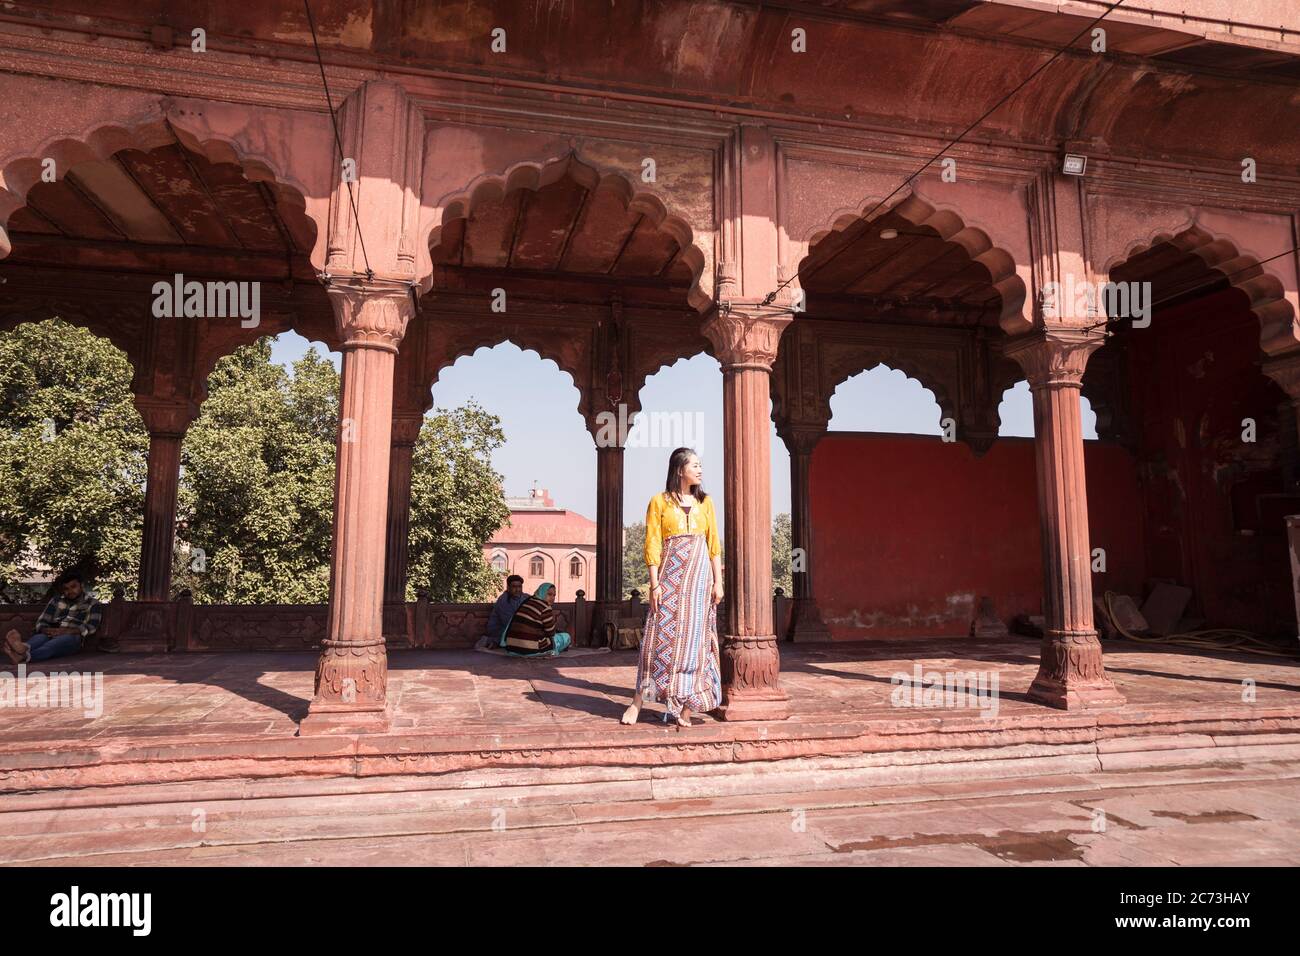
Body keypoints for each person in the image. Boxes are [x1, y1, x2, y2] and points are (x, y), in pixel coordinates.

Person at [621, 447, 723, 728]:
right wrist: (654, 585)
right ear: (680, 470)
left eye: (701, 465)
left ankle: (686, 708)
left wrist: (719, 582)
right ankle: (638, 701)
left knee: (695, 644)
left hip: (700, 582)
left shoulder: (706, 503)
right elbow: (652, 543)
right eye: (695, 465)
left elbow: (714, 545)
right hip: (670, 578)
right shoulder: (660, 502)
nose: (700, 470)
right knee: (657, 642)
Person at [3, 571, 103, 665]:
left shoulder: (93, 604)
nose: (70, 591)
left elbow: (92, 627)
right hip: (51, 633)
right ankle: (23, 648)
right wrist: (46, 629)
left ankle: (23, 656)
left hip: (73, 638)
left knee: (51, 646)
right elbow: (42, 621)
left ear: (82, 586)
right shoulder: (56, 601)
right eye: (66, 589)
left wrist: (67, 631)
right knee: (40, 638)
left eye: (73, 587)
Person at [501, 582, 571, 657]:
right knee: (565, 637)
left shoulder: (527, 601)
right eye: (549, 594)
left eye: (554, 595)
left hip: (512, 648)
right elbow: (551, 633)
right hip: (530, 650)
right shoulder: (545, 607)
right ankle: (555, 649)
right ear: (542, 593)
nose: (552, 598)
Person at [479, 574, 527, 649]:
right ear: (508, 588)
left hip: (516, 626)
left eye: (519, 587)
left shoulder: (525, 597)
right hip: (500, 628)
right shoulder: (503, 601)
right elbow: (508, 622)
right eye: (514, 587)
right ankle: (490, 640)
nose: (517, 589)